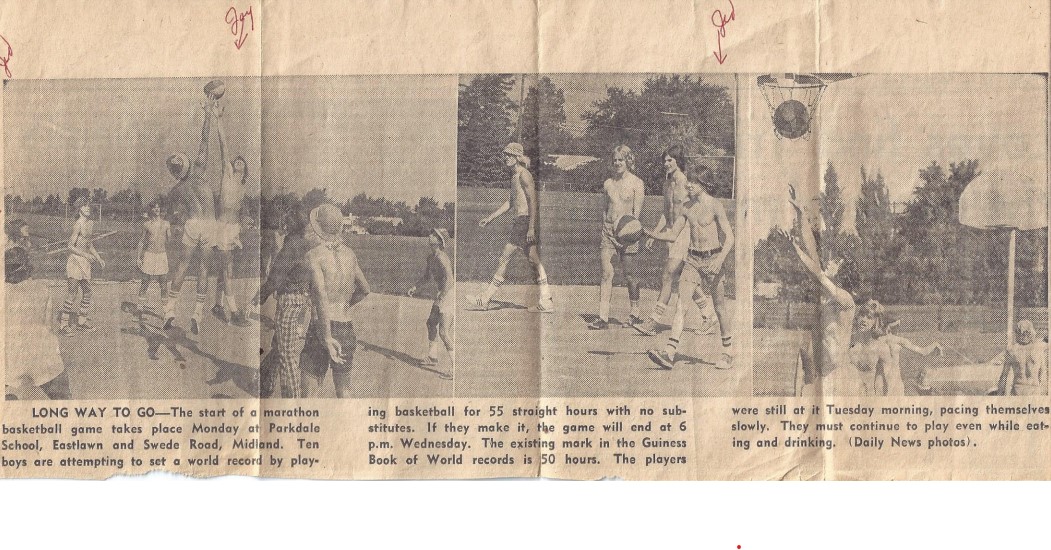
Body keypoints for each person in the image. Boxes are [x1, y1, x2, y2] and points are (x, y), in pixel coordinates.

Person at [644, 168, 734, 370]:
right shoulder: (686, 207)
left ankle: (727, 352)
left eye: (693, 182)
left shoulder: (715, 205)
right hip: (692, 260)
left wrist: (720, 259)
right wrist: (649, 234)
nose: (689, 185)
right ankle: (669, 352)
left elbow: (730, 238)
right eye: (688, 182)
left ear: (704, 183)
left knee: (719, 308)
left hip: (713, 260)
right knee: (681, 306)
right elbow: (673, 234)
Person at [781, 184, 864, 396]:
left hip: (841, 376)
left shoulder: (845, 300)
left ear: (841, 268)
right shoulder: (827, 300)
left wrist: (798, 251)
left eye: (834, 261)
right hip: (824, 375)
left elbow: (817, 271)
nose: (828, 262)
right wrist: (801, 215)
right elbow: (814, 255)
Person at [635, 145, 716, 336]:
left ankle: (654, 321)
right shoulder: (666, 184)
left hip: (685, 233)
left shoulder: (686, 182)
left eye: (670, 160)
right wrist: (655, 234)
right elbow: (666, 212)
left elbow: (698, 205)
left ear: (678, 161)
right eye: (664, 160)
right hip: (672, 234)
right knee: (683, 279)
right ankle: (709, 316)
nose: (666, 163)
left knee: (667, 274)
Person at [468, 142, 554, 313]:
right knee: (534, 260)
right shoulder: (514, 177)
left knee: (504, 257)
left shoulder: (524, 175)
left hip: (524, 221)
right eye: (505, 154)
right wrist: (490, 218)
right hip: (520, 221)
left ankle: (485, 299)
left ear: (517, 157)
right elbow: (510, 202)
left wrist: (530, 227)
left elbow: (533, 202)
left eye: (509, 155)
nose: (505, 157)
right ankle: (547, 300)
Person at [301, 204, 370, 398]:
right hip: (346, 326)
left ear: (317, 228)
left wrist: (326, 336)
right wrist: (346, 304)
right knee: (344, 391)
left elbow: (322, 298)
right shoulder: (350, 254)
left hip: (322, 327)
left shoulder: (313, 256)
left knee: (309, 395)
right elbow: (365, 289)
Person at [165, 102, 220, 335]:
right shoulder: (198, 171)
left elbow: (173, 215)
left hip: (192, 224)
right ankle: (197, 313)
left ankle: (169, 310)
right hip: (209, 225)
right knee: (204, 268)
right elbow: (204, 140)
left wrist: (176, 221)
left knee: (182, 266)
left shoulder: (176, 190)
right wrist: (208, 114)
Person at [5, 219, 72, 400]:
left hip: (9, 351)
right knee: (63, 398)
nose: (28, 241)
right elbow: (48, 326)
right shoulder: (42, 289)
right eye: (24, 236)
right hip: (38, 352)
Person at [254, 204, 311, 398]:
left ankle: (292, 404)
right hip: (301, 300)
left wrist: (259, 296)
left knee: (287, 358)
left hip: (289, 302)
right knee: (280, 345)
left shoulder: (291, 246)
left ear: (290, 226)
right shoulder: (306, 243)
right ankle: (266, 380)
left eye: (285, 222)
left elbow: (275, 277)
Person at [589, 145, 644, 330]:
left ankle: (635, 313)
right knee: (606, 274)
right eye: (615, 160)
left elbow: (636, 215)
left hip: (628, 236)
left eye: (621, 159)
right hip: (608, 234)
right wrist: (606, 230)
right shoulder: (608, 184)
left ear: (628, 161)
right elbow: (605, 210)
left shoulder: (637, 183)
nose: (617, 163)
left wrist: (628, 235)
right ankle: (603, 317)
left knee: (630, 276)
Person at [210, 104, 250, 327]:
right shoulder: (227, 175)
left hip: (233, 229)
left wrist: (242, 228)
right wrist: (218, 119)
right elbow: (224, 146)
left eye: (241, 162)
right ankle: (234, 312)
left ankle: (218, 304)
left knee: (228, 269)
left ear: (245, 169)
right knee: (226, 268)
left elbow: (239, 211)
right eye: (236, 161)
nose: (237, 162)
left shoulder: (243, 187)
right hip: (222, 228)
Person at [59, 196, 105, 337]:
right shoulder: (77, 224)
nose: (88, 208)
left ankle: (81, 322)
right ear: (79, 209)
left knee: (88, 292)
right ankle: (63, 325)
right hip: (75, 261)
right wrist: (85, 256)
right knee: (72, 293)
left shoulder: (90, 223)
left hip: (85, 262)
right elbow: (70, 246)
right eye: (85, 206)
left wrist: (98, 257)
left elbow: (88, 244)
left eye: (88, 205)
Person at [409, 228, 455, 367]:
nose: (430, 236)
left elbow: (450, 279)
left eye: (434, 235)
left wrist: (443, 295)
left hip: (448, 294)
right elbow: (426, 277)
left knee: (444, 333)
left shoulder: (442, 258)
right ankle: (432, 356)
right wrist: (415, 287)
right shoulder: (430, 258)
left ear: (439, 241)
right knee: (431, 323)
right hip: (441, 295)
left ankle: (455, 367)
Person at [876, 318, 942, 396]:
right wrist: (935, 344)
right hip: (895, 380)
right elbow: (923, 352)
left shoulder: (877, 340)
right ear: (895, 327)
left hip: (880, 380)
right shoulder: (900, 340)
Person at [136, 199, 171, 320]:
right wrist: (138, 258)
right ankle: (139, 313)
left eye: (158, 207)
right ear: (151, 209)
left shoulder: (166, 224)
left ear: (161, 209)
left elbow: (169, 241)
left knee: (164, 284)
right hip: (149, 255)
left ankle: (166, 313)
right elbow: (141, 241)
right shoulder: (146, 224)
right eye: (154, 207)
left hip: (161, 256)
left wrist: (171, 235)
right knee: (145, 283)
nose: (156, 209)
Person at [849, 299, 893, 396]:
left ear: (875, 322)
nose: (864, 320)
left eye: (869, 317)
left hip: (870, 395)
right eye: (862, 315)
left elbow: (889, 378)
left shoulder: (881, 347)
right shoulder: (849, 340)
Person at [997, 320, 1048, 396]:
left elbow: (1004, 375)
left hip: (1018, 389)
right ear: (1031, 332)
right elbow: (1042, 373)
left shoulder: (1012, 350)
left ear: (1017, 333)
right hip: (1034, 389)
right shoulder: (1038, 349)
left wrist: (999, 395)